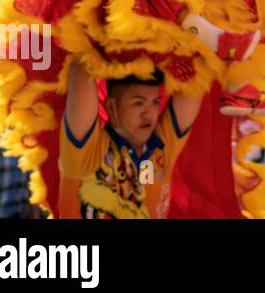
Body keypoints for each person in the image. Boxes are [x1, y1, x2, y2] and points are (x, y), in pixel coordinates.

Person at [58, 60, 202, 219]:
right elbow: (82, 66)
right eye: (138, 103)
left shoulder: (159, 148)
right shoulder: (87, 153)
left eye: (155, 102)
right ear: (112, 107)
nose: (148, 114)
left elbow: (196, 79)